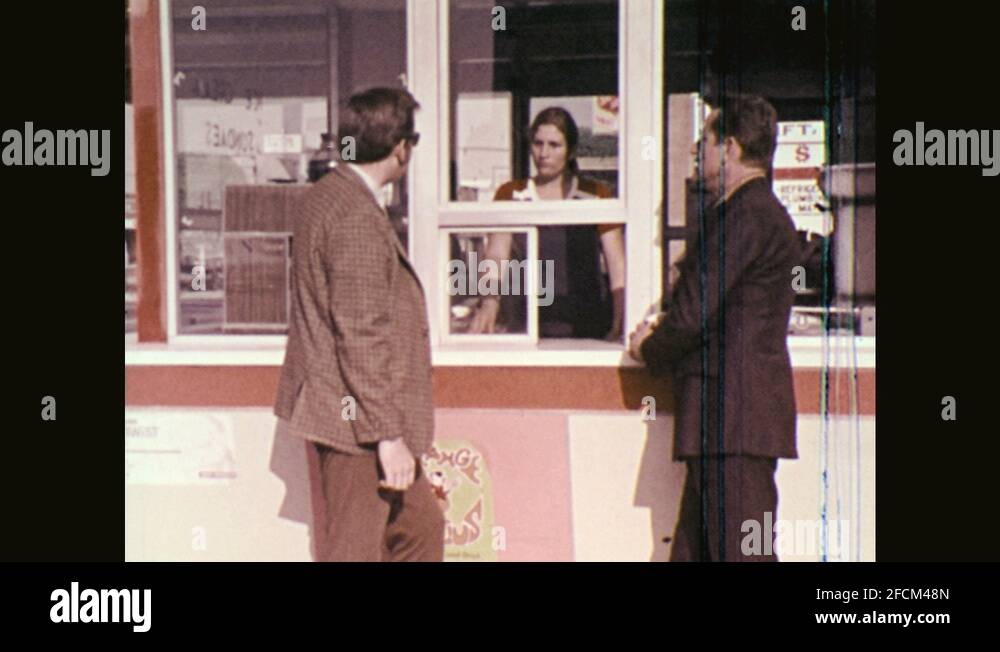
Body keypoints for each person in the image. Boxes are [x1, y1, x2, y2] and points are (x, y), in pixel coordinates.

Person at [628, 95, 801, 562]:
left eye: (703, 140)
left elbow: (693, 316)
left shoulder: (746, 215)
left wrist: (648, 347)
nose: (694, 150)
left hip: (734, 422)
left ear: (729, 147)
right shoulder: (746, 212)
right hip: (729, 423)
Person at [273, 87, 443, 562]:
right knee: (354, 549)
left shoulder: (328, 195)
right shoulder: (356, 218)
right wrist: (387, 436)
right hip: (354, 420)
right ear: (400, 148)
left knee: (421, 529)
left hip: (348, 408)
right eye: (413, 140)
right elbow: (360, 334)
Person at [468, 107, 625, 341]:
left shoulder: (595, 194)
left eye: (554, 145)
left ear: (571, 151)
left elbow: (617, 264)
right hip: (526, 325)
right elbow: (496, 256)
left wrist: (622, 312)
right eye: (538, 143)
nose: (543, 153)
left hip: (587, 325)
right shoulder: (511, 193)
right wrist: (489, 303)